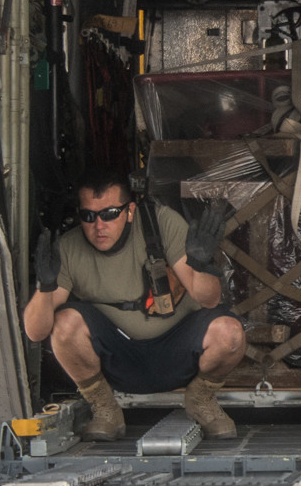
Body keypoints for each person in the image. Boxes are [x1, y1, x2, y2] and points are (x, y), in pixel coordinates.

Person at [22, 174, 245, 442]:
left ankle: (201, 398)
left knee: (230, 332)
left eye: (109, 214)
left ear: (129, 211)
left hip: (178, 352)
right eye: (88, 216)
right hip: (118, 359)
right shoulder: (69, 248)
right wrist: (44, 287)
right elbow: (36, 333)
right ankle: (105, 409)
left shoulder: (162, 223)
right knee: (64, 322)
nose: (99, 225)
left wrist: (201, 263)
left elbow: (208, 300)